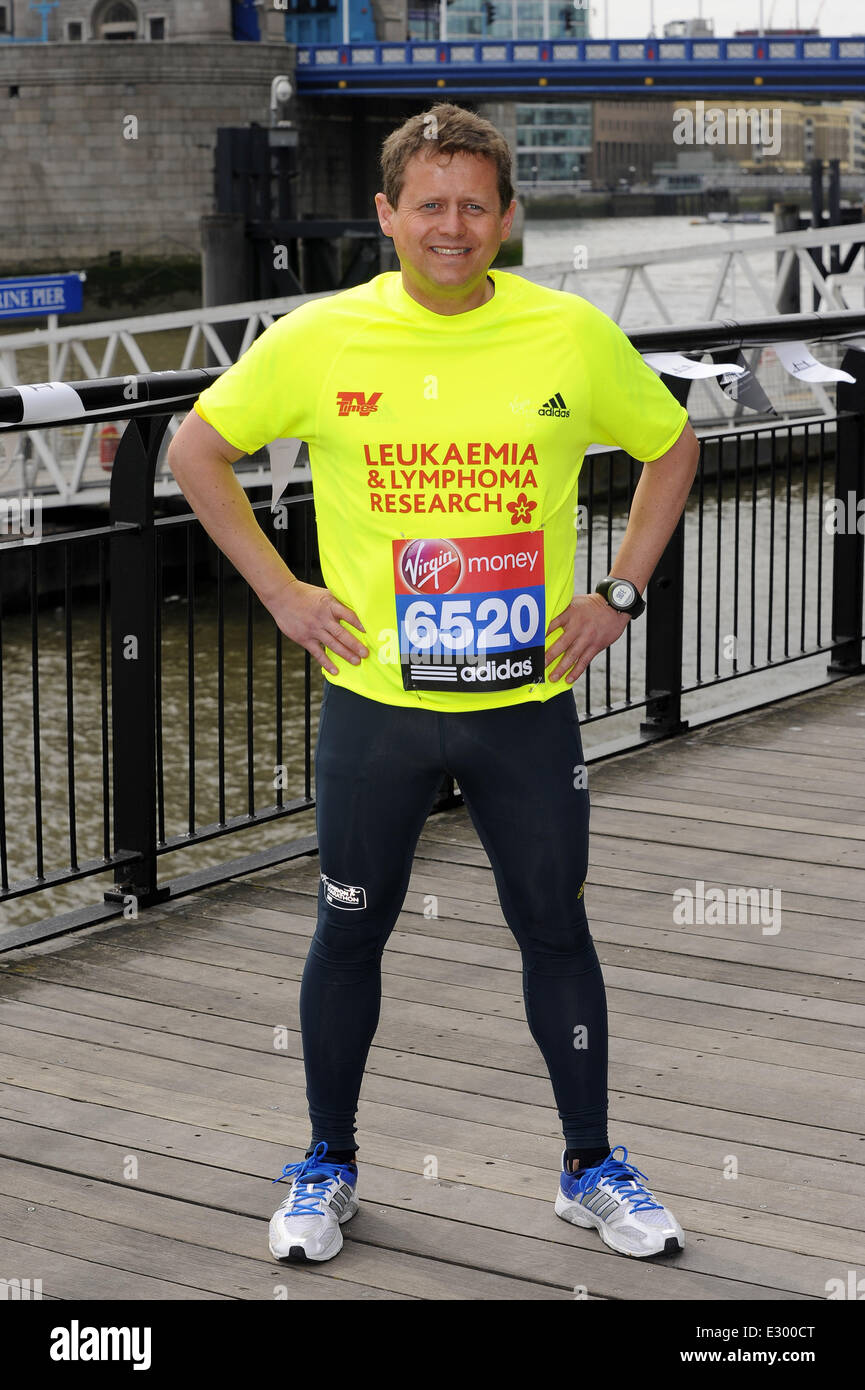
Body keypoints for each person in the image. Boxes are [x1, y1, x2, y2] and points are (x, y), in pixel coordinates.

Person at [167, 103, 700, 1268]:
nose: (450, 227)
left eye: (473, 205)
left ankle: (588, 1166)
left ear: (506, 218)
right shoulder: (321, 337)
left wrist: (617, 592)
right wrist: (281, 593)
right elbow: (195, 450)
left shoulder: (566, 334)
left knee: (555, 927)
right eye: (429, 205)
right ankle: (326, 1163)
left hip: (521, 705)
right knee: (347, 932)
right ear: (386, 217)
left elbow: (671, 446)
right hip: (377, 708)